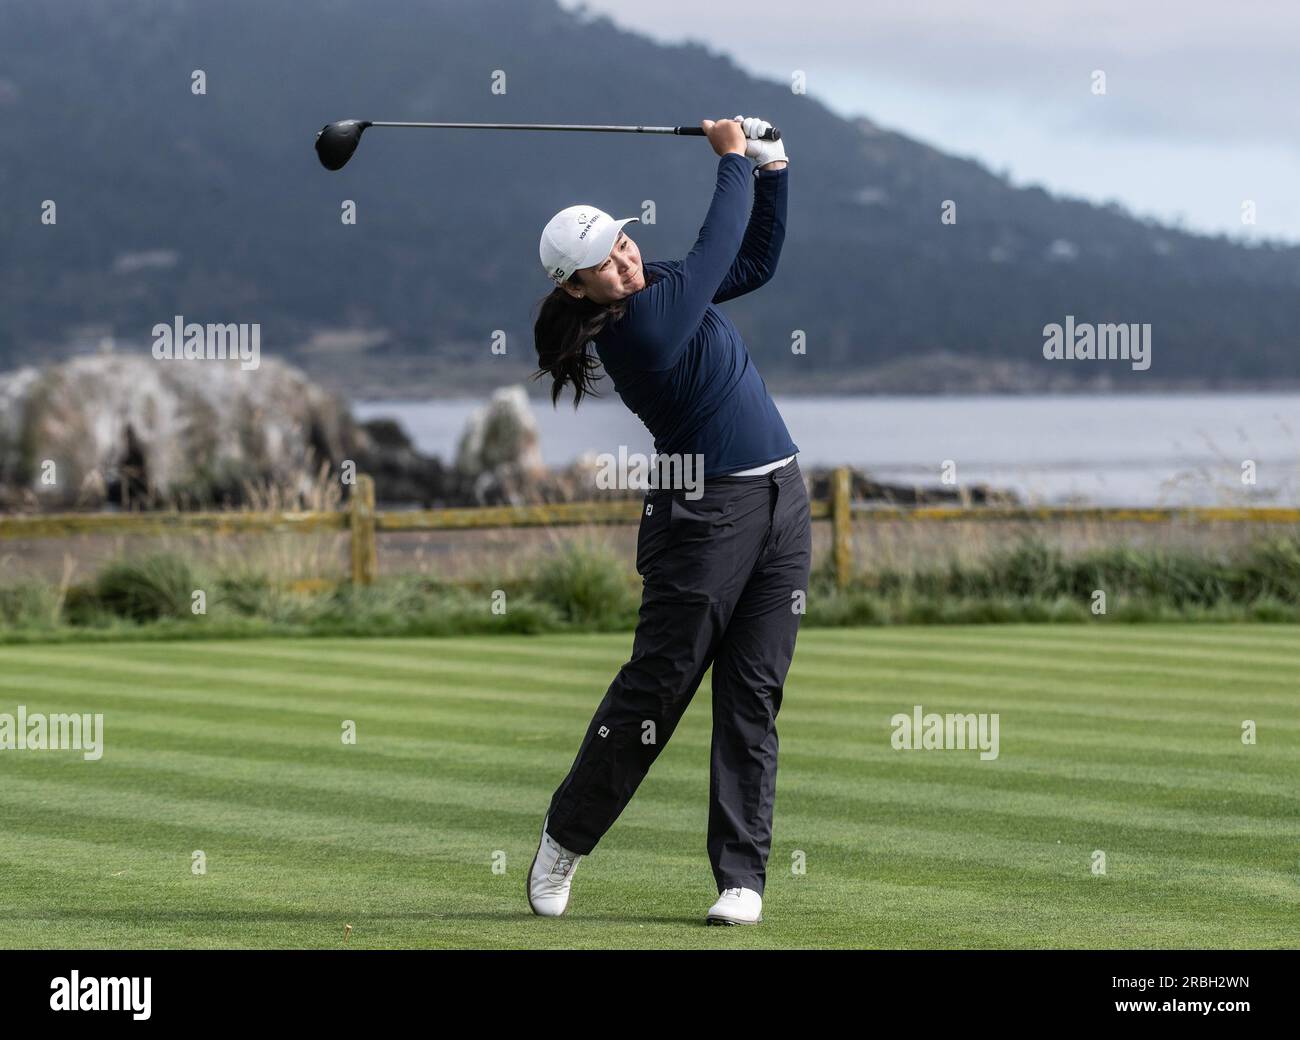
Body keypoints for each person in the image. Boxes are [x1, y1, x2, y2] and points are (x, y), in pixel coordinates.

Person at [528, 115, 810, 925]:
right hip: (704, 516)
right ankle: (565, 841)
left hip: (782, 501)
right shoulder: (639, 327)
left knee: (753, 695)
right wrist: (732, 160)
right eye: (601, 265)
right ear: (573, 289)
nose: (622, 260)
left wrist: (775, 168)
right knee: (656, 692)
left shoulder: (656, 286)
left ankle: (741, 880)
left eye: (620, 243)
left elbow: (751, 260)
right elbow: (719, 244)